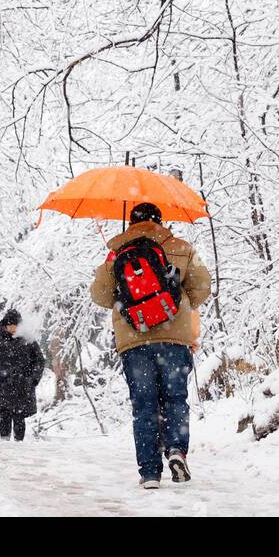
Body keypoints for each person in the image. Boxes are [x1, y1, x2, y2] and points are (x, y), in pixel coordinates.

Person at [91, 201, 211, 490]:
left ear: (131, 223)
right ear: (161, 220)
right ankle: (176, 450)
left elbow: (100, 295)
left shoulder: (117, 253)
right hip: (174, 337)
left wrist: (127, 294)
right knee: (174, 398)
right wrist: (177, 304)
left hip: (134, 339)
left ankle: (149, 473)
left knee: (143, 405)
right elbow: (202, 287)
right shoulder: (180, 247)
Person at [0, 309, 44, 441]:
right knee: (5, 416)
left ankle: (19, 444)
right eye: (10, 325)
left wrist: (34, 378)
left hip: (23, 385)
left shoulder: (28, 339)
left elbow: (39, 360)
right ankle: (4, 444)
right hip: (1, 385)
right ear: (4, 325)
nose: (12, 328)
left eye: (15, 325)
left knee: (19, 417)